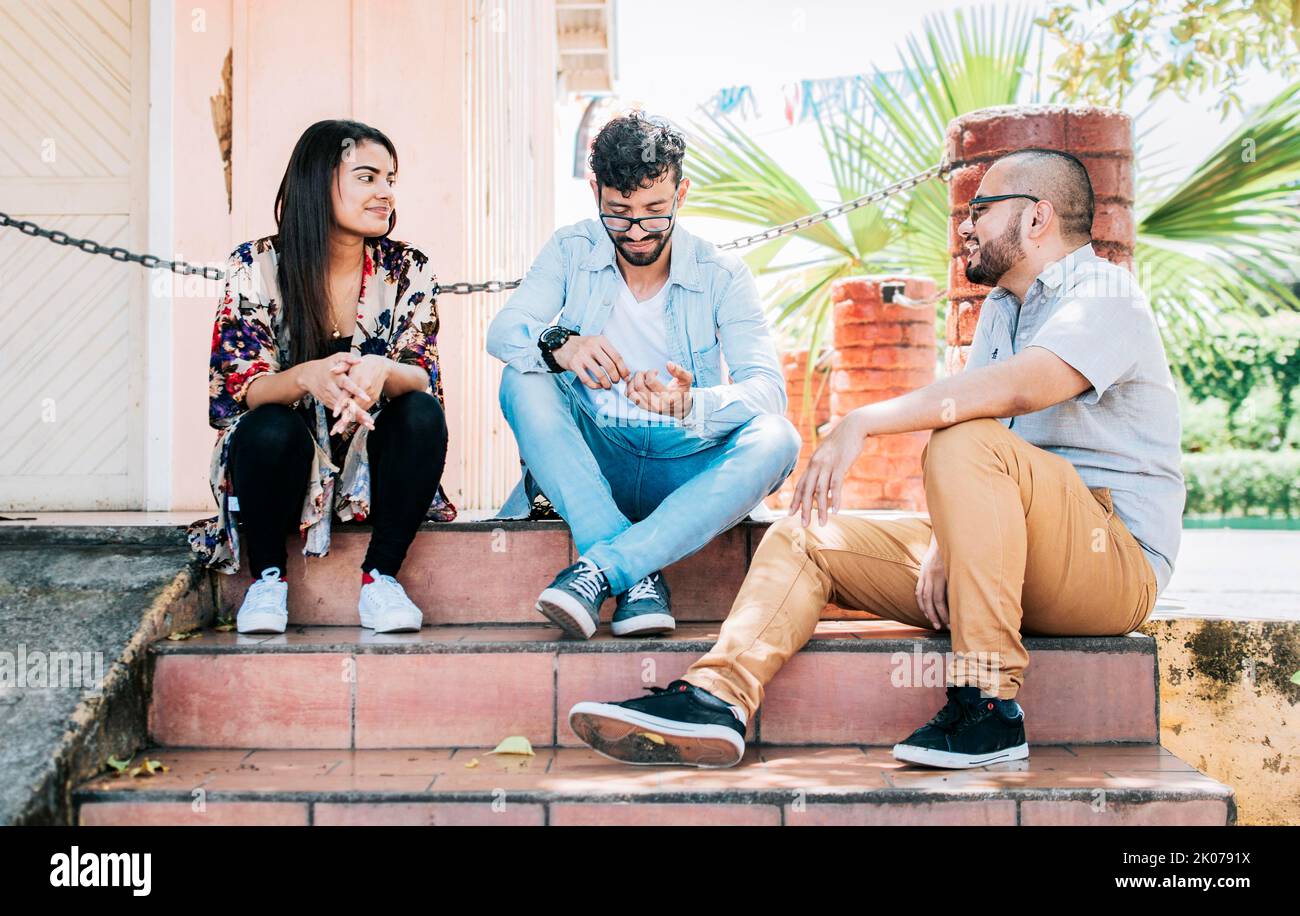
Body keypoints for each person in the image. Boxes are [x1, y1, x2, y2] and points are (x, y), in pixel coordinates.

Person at [568, 147, 1185, 768]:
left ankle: (988, 705)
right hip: (1016, 560)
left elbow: (1020, 391)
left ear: (1036, 218)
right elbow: (992, 453)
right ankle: (716, 699)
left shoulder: (1105, 291)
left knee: (962, 436)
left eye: (981, 209)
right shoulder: (1002, 309)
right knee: (803, 537)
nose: (965, 226)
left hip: (1110, 565)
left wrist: (861, 420)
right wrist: (950, 541)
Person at [486, 112, 801, 639]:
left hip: (684, 464)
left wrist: (690, 404)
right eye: (619, 213)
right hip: (595, 460)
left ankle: (604, 571)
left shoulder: (722, 274)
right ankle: (638, 579)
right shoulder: (570, 249)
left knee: (778, 437)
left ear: (682, 193)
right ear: (595, 194)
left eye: (655, 212)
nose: (636, 232)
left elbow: (767, 391)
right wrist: (562, 344)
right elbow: (505, 331)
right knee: (522, 378)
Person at [187, 119, 457, 635]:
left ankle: (381, 579)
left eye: (391, 179)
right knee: (267, 426)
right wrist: (307, 377)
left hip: (370, 461)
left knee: (420, 413)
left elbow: (422, 375)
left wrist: (382, 370)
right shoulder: (257, 265)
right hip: (281, 467)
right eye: (367, 177)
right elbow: (238, 388)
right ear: (317, 180)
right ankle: (267, 580)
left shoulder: (408, 268)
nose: (385, 193)